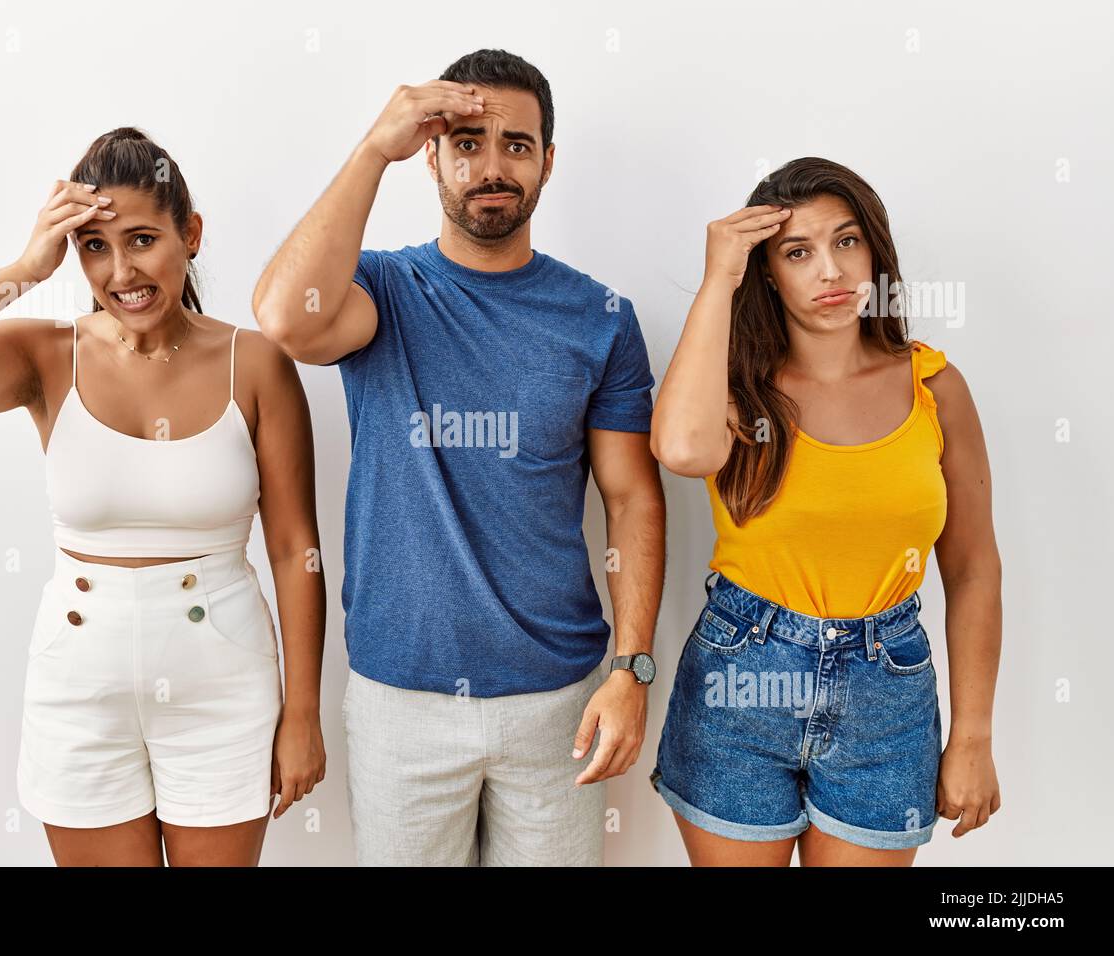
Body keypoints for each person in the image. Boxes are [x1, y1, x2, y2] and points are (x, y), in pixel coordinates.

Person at [0, 127, 327, 867]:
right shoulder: (48, 358)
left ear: (190, 234)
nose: (121, 270)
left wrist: (303, 714)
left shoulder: (253, 363)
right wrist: (23, 271)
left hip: (222, 686)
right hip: (79, 685)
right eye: (95, 247)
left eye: (142, 239)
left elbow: (295, 549)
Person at [253, 49, 665, 866]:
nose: (492, 165)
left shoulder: (601, 317)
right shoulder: (380, 292)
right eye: (468, 142)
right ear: (432, 155)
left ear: (547, 161)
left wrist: (633, 668)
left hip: (560, 697)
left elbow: (634, 500)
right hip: (400, 699)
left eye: (517, 145)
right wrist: (376, 146)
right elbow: (283, 319)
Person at [648, 157, 1003, 865]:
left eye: (846, 242)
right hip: (741, 676)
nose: (831, 271)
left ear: (874, 250)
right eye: (798, 252)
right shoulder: (735, 389)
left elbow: (972, 569)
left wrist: (972, 737)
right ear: (769, 273)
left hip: (890, 691)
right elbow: (682, 450)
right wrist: (720, 274)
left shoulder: (937, 386)